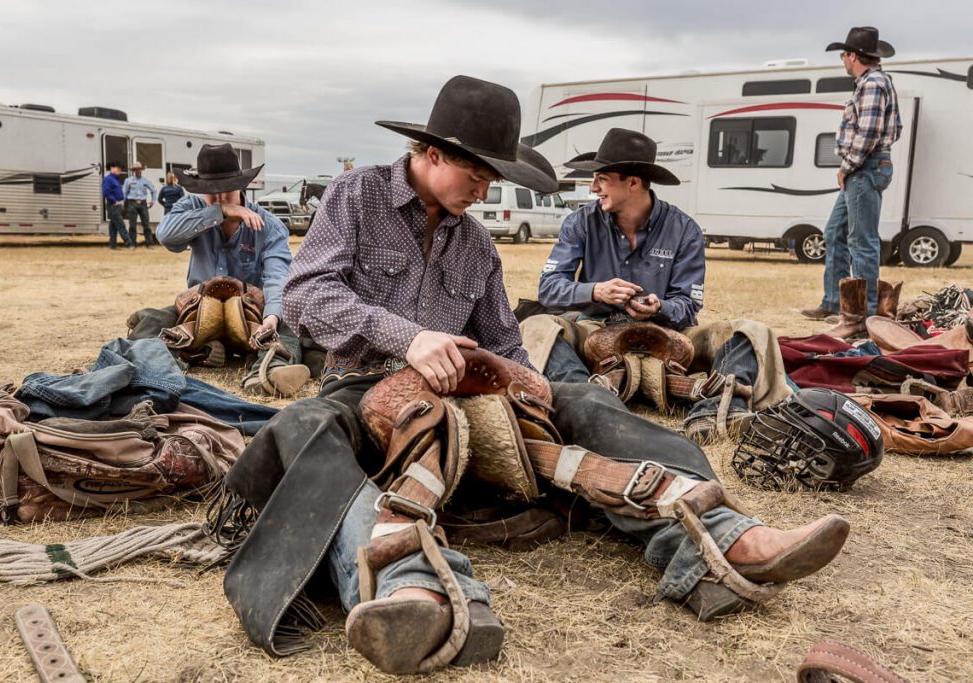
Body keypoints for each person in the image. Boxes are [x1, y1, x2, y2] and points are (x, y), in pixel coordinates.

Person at [213, 76, 850, 675]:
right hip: (365, 385)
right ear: (431, 153)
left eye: (494, 177)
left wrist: (522, 380)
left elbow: (506, 345)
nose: (485, 191)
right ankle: (407, 583)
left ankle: (719, 535)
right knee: (304, 425)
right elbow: (303, 295)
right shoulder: (357, 197)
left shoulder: (478, 246)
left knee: (585, 406)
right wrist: (408, 337)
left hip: (470, 392)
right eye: (478, 172)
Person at [522, 127, 792, 443]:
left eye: (602, 178)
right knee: (537, 325)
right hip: (595, 328)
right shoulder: (580, 222)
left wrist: (659, 307)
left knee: (751, 331)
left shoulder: (684, 229)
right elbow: (549, 288)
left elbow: (688, 304)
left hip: (672, 336)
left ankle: (717, 409)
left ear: (633, 183)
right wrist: (596, 291)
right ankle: (586, 399)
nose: (594, 187)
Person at [128, 143, 313, 396]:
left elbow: (277, 275)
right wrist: (220, 211)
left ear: (241, 186)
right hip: (200, 311)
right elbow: (166, 235)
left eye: (226, 193)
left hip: (252, 315)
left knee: (288, 321)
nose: (218, 198)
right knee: (153, 320)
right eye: (210, 194)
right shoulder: (191, 206)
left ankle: (270, 372)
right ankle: (162, 368)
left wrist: (271, 317)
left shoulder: (270, 225)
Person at [801, 26, 901, 324]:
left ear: (853, 56)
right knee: (835, 233)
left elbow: (869, 133)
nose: (843, 60)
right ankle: (835, 302)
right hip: (867, 168)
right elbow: (895, 130)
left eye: (843, 55)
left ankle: (864, 313)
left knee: (862, 241)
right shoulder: (876, 83)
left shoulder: (872, 84)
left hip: (864, 168)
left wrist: (848, 166)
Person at [123, 161, 157, 247]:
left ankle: (149, 243)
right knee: (132, 225)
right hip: (132, 203)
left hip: (143, 204)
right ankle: (132, 243)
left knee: (146, 224)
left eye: (140, 170)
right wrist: (123, 204)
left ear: (141, 170)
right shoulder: (128, 180)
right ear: (134, 171)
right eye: (136, 170)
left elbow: (154, 190)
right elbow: (124, 193)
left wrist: (153, 201)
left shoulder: (146, 181)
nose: (138, 171)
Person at [101, 161, 133, 249]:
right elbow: (105, 192)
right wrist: (114, 201)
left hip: (117, 205)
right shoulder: (108, 179)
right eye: (116, 167)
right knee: (120, 224)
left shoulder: (115, 179)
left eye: (119, 168)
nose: (119, 169)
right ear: (111, 168)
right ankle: (128, 243)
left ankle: (112, 245)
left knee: (113, 226)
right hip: (113, 205)